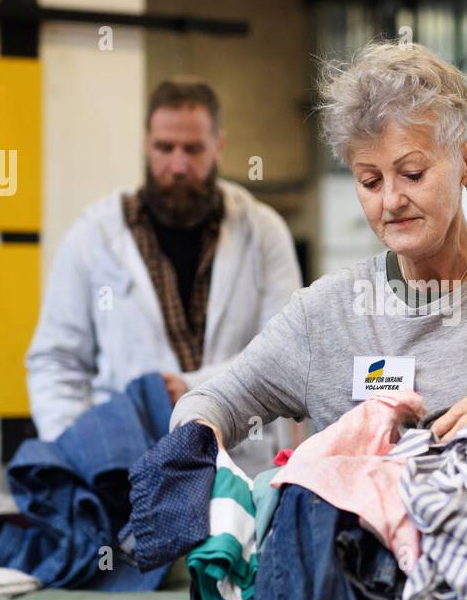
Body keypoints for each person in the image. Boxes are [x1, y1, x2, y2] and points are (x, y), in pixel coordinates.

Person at [171, 41, 467, 471]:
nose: (391, 201)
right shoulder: (326, 316)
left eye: (412, 173)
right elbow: (214, 402)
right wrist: (196, 457)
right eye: (370, 181)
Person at [27, 77, 302, 473]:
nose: (178, 166)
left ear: (218, 146)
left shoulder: (262, 231)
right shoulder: (94, 235)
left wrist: (191, 388)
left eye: (193, 149)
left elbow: (285, 352)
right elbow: (55, 361)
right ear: (145, 145)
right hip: (126, 471)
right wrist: (76, 452)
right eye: (164, 148)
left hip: (240, 462)